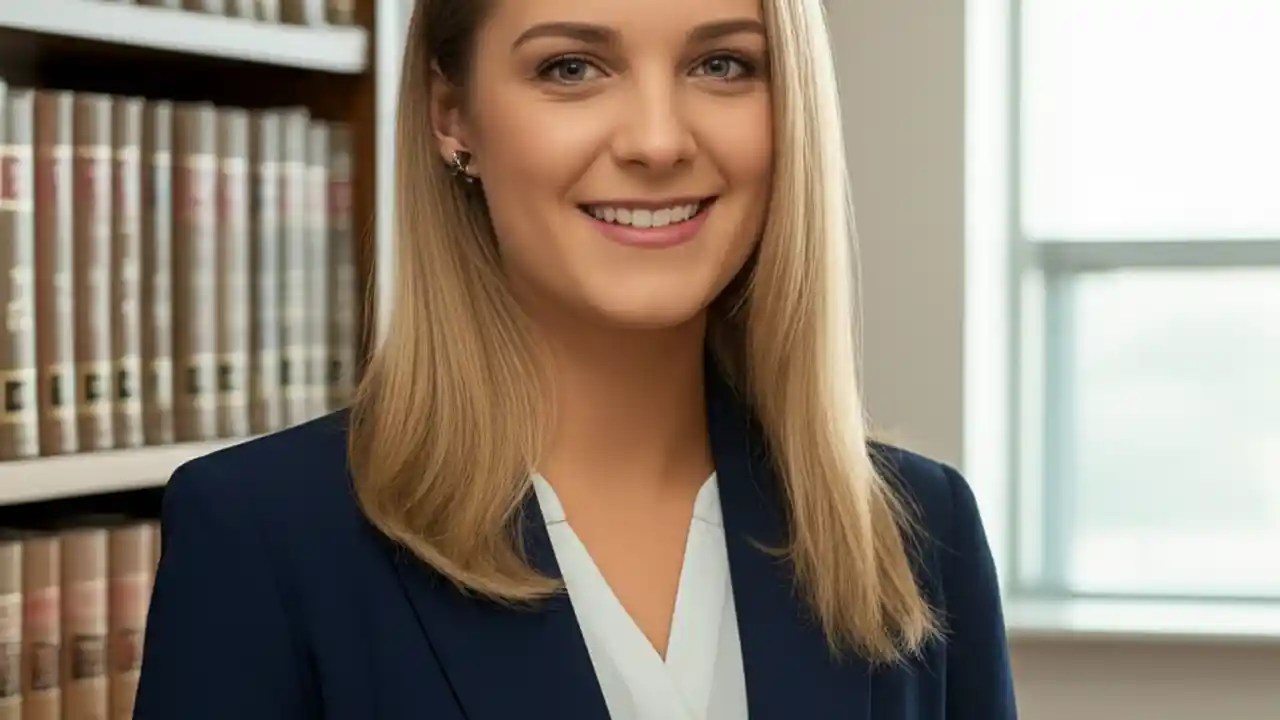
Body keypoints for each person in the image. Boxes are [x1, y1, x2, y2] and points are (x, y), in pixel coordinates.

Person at [134, 0, 1017, 717]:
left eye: (723, 65)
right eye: (571, 67)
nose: (657, 141)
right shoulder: (263, 536)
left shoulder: (918, 532)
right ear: (452, 115)